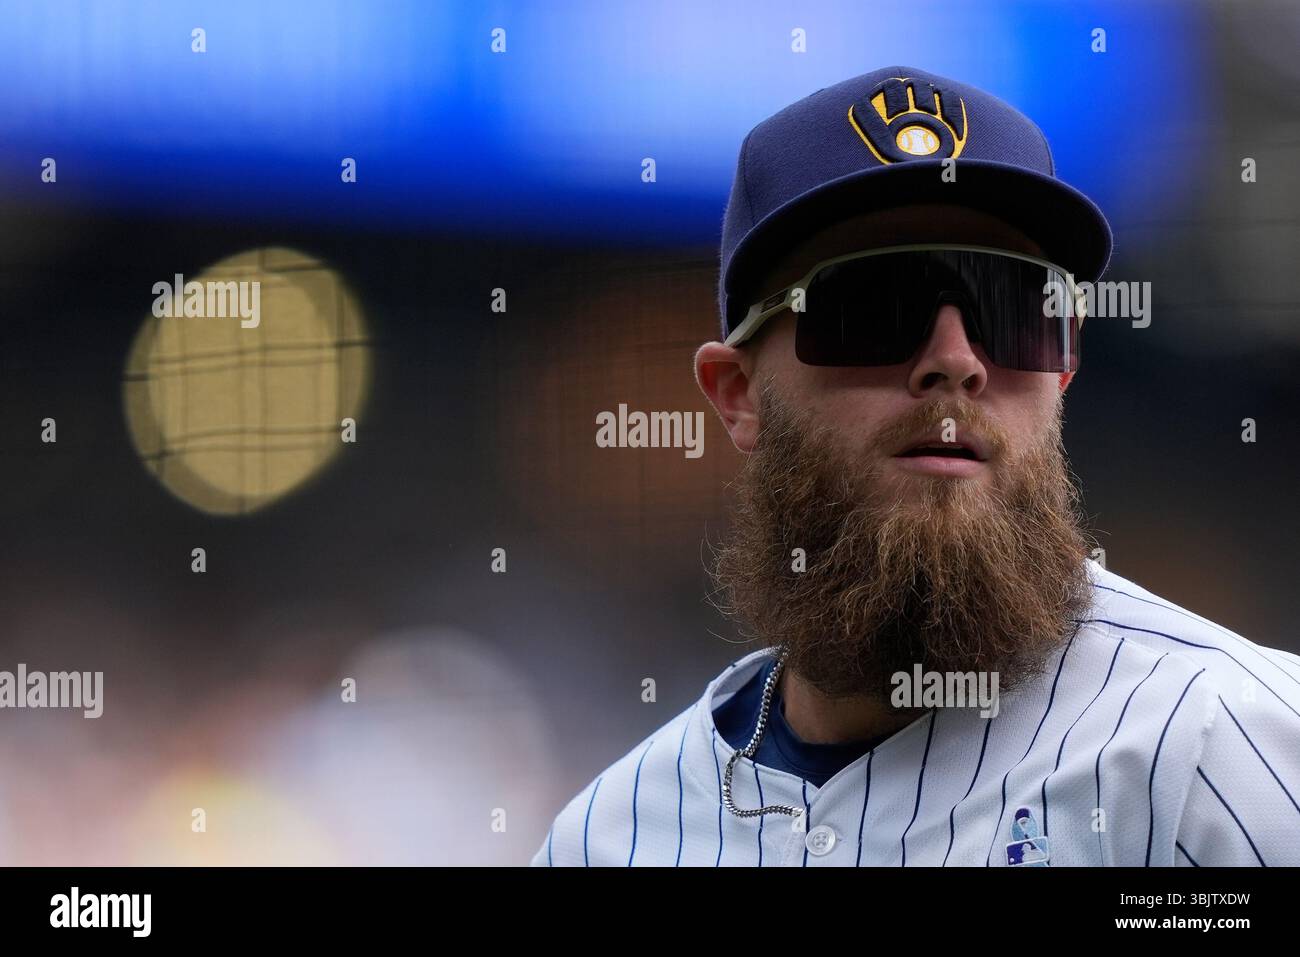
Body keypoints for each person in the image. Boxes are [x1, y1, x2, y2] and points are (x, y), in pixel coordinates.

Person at [532, 66, 1300, 867]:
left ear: (1063, 367)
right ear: (737, 393)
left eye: (1014, 307)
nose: (956, 360)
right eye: (875, 305)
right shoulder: (605, 839)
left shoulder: (1223, 743)